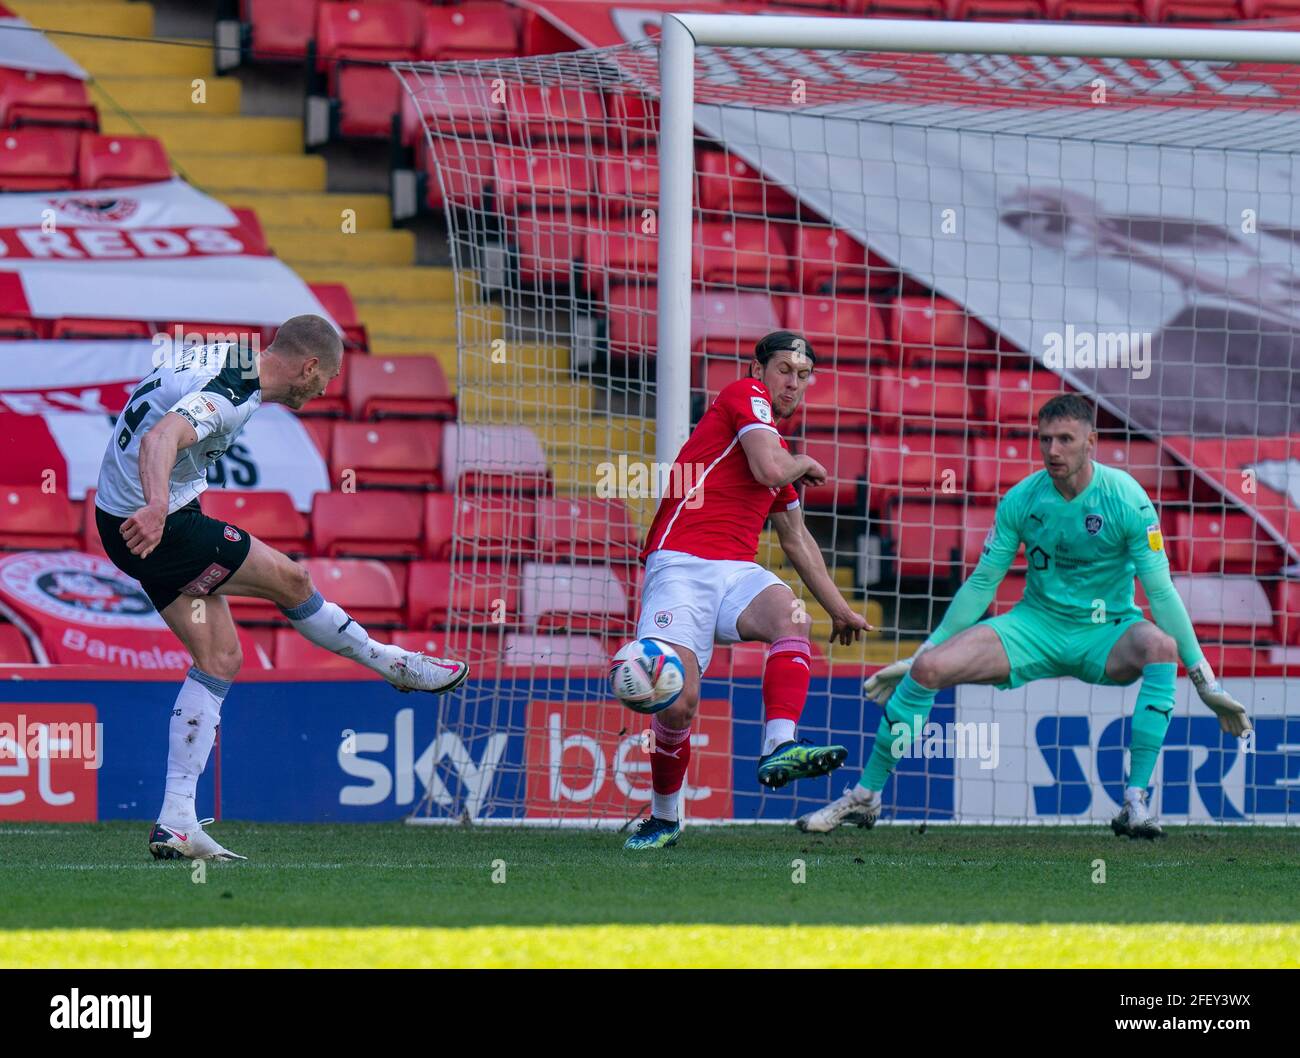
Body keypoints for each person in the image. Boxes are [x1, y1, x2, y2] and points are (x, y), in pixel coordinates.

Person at [94, 315, 468, 861]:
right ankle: (394, 664)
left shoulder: (236, 357)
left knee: (220, 657)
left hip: (125, 516)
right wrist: (154, 507)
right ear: (310, 367)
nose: (325, 390)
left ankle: (176, 820)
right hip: (154, 522)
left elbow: (161, 417)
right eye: (327, 378)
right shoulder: (236, 390)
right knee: (293, 579)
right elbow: (160, 436)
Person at [797, 394, 1251, 840]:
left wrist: (1204, 682)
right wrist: (925, 651)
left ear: (1091, 441)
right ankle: (865, 796)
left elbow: (1161, 593)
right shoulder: (1021, 500)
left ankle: (1135, 800)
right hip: (1034, 627)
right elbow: (981, 584)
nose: (1053, 451)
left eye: (1066, 440)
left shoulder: (1127, 499)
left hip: (1107, 633)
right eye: (1045, 440)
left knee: (1161, 647)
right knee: (930, 670)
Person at [623, 330, 872, 850]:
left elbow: (797, 540)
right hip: (682, 564)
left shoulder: (774, 446)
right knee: (679, 704)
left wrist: (842, 611)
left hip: (735, 571)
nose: (793, 383)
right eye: (784, 369)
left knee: (793, 617)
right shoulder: (743, 398)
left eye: (803, 376)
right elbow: (771, 469)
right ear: (757, 370)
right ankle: (664, 817)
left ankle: (778, 746)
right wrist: (801, 464)